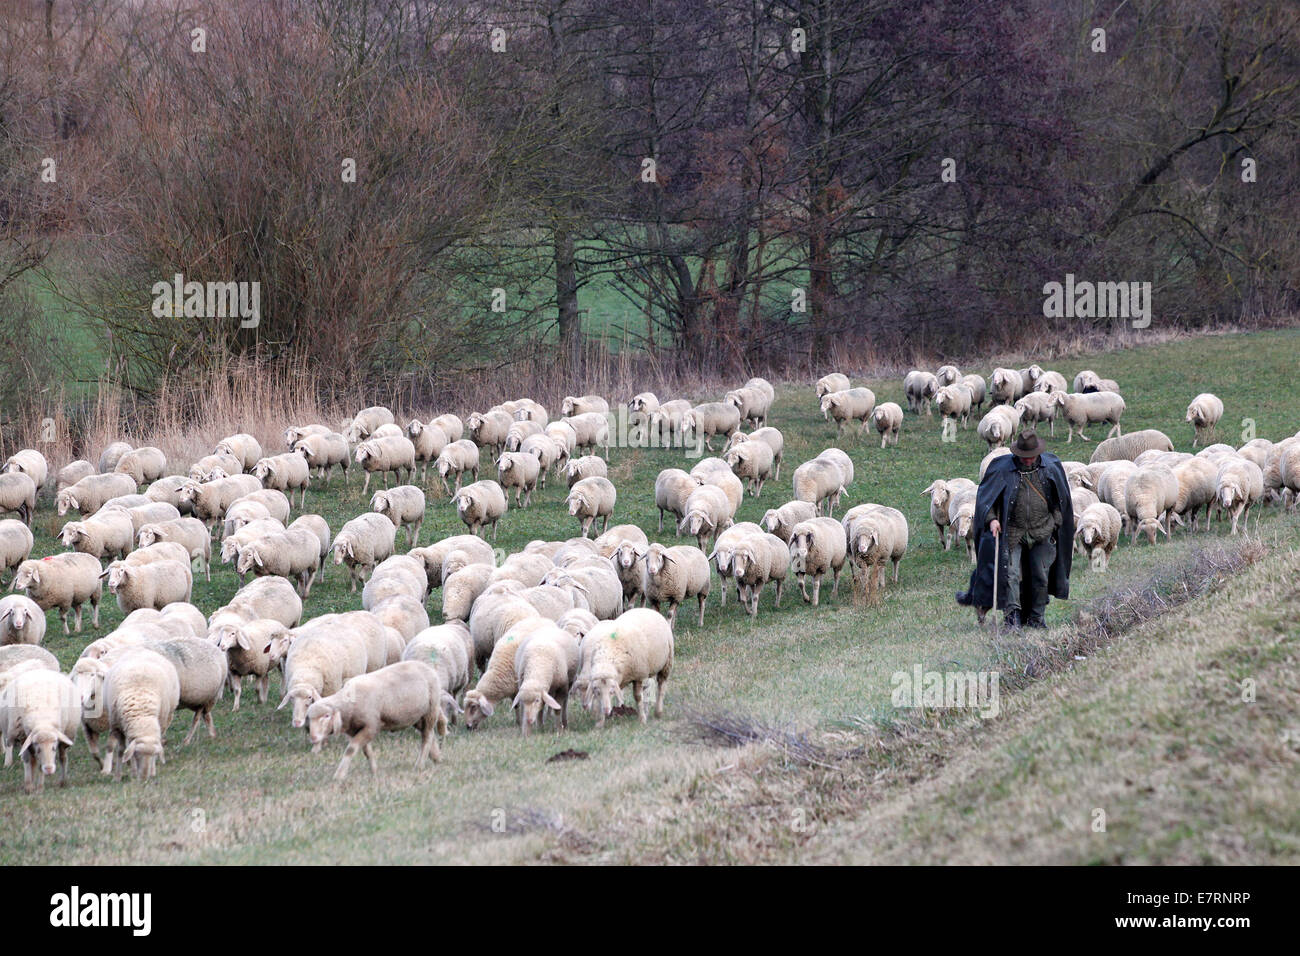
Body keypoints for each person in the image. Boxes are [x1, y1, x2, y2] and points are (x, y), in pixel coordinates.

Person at [956, 430, 1074, 628]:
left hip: (1042, 530)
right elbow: (987, 500)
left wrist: (1056, 520)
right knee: (1010, 575)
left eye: (1031, 457)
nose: (1027, 461)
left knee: (1040, 575)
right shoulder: (1002, 469)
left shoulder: (1050, 468)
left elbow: (1060, 500)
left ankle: (1037, 619)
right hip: (1013, 532)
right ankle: (1012, 619)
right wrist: (992, 519)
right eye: (1024, 457)